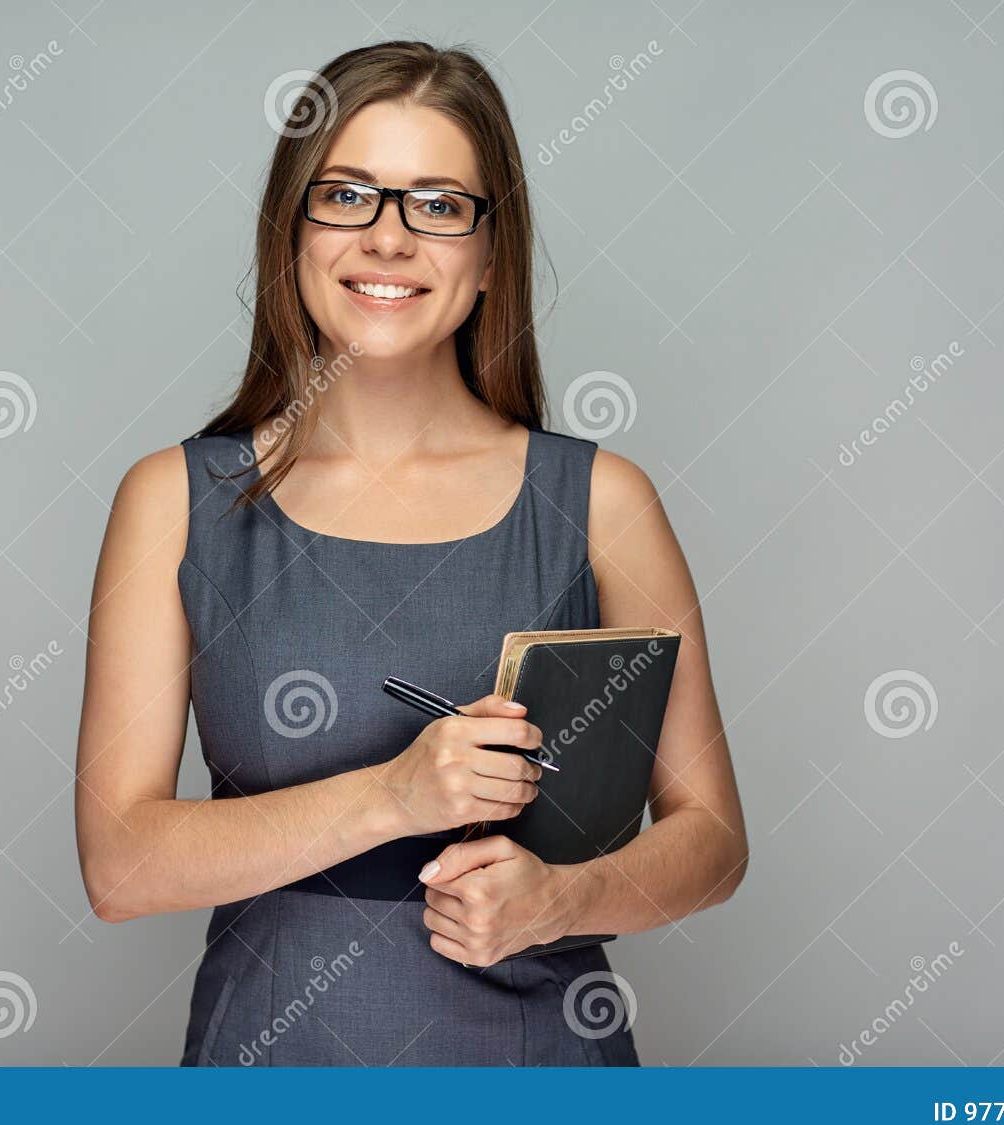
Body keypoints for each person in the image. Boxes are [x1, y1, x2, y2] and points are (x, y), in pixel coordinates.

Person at [73, 40, 747, 1066]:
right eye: (346, 195)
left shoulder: (603, 501)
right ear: (291, 232)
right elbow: (120, 866)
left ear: (488, 257)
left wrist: (566, 896)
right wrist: (395, 793)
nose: (387, 239)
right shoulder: (173, 501)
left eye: (436, 205)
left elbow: (710, 837)